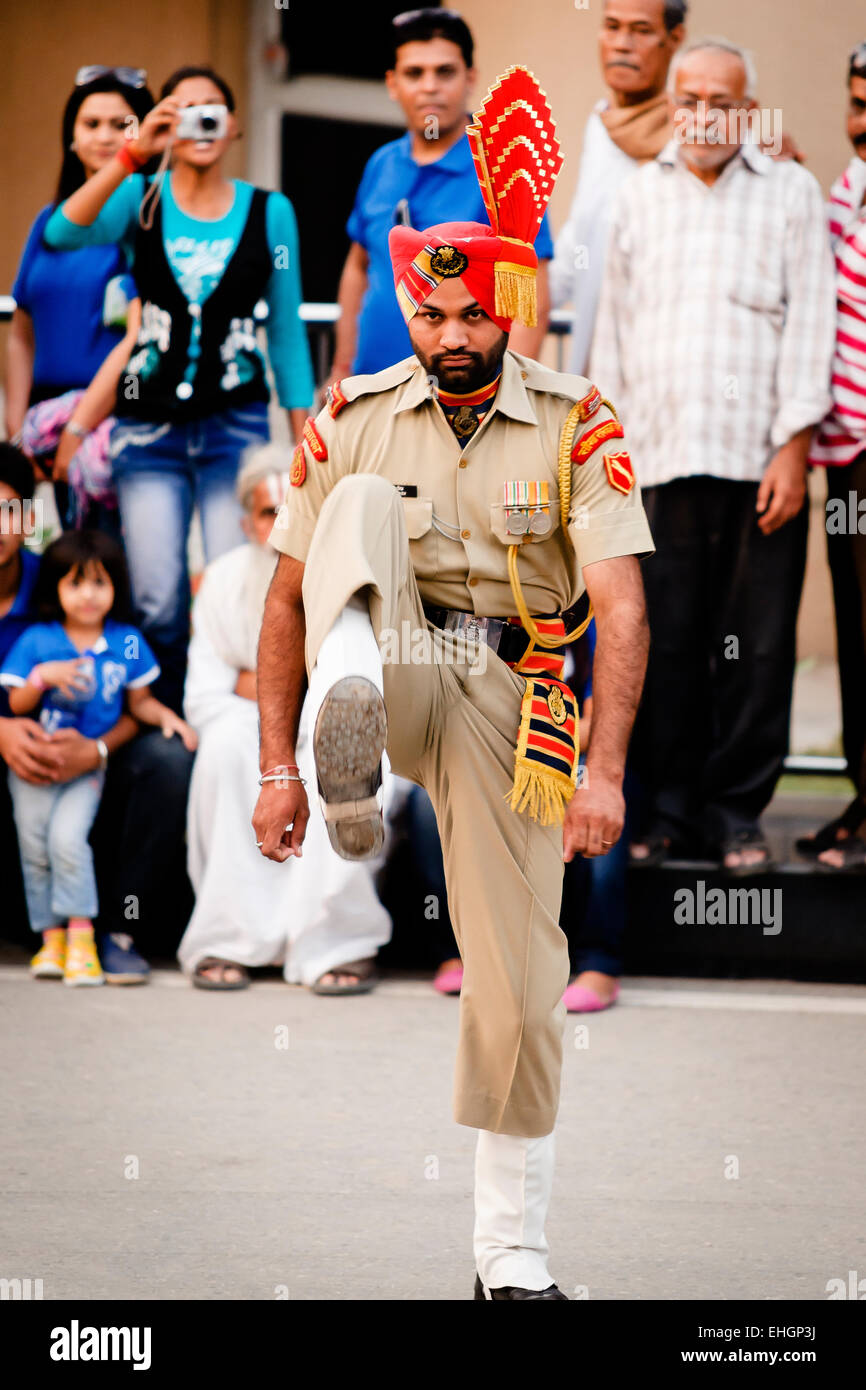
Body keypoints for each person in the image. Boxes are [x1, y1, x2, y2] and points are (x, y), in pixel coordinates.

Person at [253, 67, 653, 1299]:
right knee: (362, 507)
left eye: (470, 316)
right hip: (392, 660)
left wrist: (602, 772)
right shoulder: (355, 413)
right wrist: (279, 767)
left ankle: (507, 1254)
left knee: (520, 979)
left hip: (514, 703)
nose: (447, 336)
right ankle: (346, 734)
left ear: (507, 310)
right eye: (428, 320)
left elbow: (625, 605)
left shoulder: (580, 418)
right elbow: (281, 598)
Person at [592, 37, 836, 873]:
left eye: (721, 102)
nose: (702, 114)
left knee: (758, 647)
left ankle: (737, 815)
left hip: (758, 460)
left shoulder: (792, 195)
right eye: (688, 98)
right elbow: (613, 335)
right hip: (653, 460)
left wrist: (794, 448)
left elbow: (814, 323)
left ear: (749, 109)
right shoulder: (637, 197)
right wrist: (605, 453)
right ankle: (666, 814)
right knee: (659, 642)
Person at [43, 65, 315, 712]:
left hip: (238, 430)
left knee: (234, 585)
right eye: (183, 110)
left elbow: (285, 334)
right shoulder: (141, 197)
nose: (199, 122)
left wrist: (306, 445)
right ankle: (168, 731)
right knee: (159, 597)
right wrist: (136, 152)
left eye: (212, 110)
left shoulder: (269, 211)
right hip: (149, 429)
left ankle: (241, 726)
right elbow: (62, 231)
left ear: (235, 125)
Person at [178, 444, 392, 990]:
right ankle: (231, 936)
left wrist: (265, 689)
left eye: (291, 511)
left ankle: (334, 943)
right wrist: (274, 705)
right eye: (268, 513)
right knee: (224, 749)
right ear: (248, 522)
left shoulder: (350, 575)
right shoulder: (221, 581)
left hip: (333, 724)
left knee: (348, 756)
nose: (280, 524)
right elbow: (206, 692)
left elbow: (364, 678)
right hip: (247, 724)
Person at [0, 445, 195, 982]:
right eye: (76, 584)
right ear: (59, 591)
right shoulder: (43, 638)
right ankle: (47, 933)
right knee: (39, 840)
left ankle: (109, 930)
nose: (87, 594)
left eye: (5, 510)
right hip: (25, 755)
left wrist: (113, 741)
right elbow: (19, 694)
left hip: (90, 754)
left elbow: (141, 700)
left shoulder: (112, 630)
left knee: (164, 764)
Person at [326, 9, 553, 388]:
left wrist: (512, 397)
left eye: (444, 72)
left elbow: (532, 298)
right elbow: (358, 267)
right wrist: (341, 371)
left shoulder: (500, 169)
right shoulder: (381, 164)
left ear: (470, 78)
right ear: (392, 83)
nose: (429, 86)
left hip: (465, 398)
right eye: (414, 73)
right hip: (375, 389)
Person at [5, 67, 152, 527]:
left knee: (107, 567)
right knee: (43, 560)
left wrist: (78, 428)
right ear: (70, 136)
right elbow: (21, 332)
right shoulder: (49, 222)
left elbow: (141, 333)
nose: (105, 136)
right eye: (91, 124)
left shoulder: (148, 216)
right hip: (41, 424)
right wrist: (17, 430)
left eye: (122, 124)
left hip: (113, 416)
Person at [797, 43, 866, 872]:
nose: (861, 122)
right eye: (856, 102)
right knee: (856, 631)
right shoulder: (849, 191)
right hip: (850, 447)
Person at [550, 0, 687, 375]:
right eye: (612, 26)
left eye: (641, 31)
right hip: (597, 374)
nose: (622, 44)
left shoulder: (699, 139)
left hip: (667, 372)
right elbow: (577, 245)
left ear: (675, 38)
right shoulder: (601, 125)